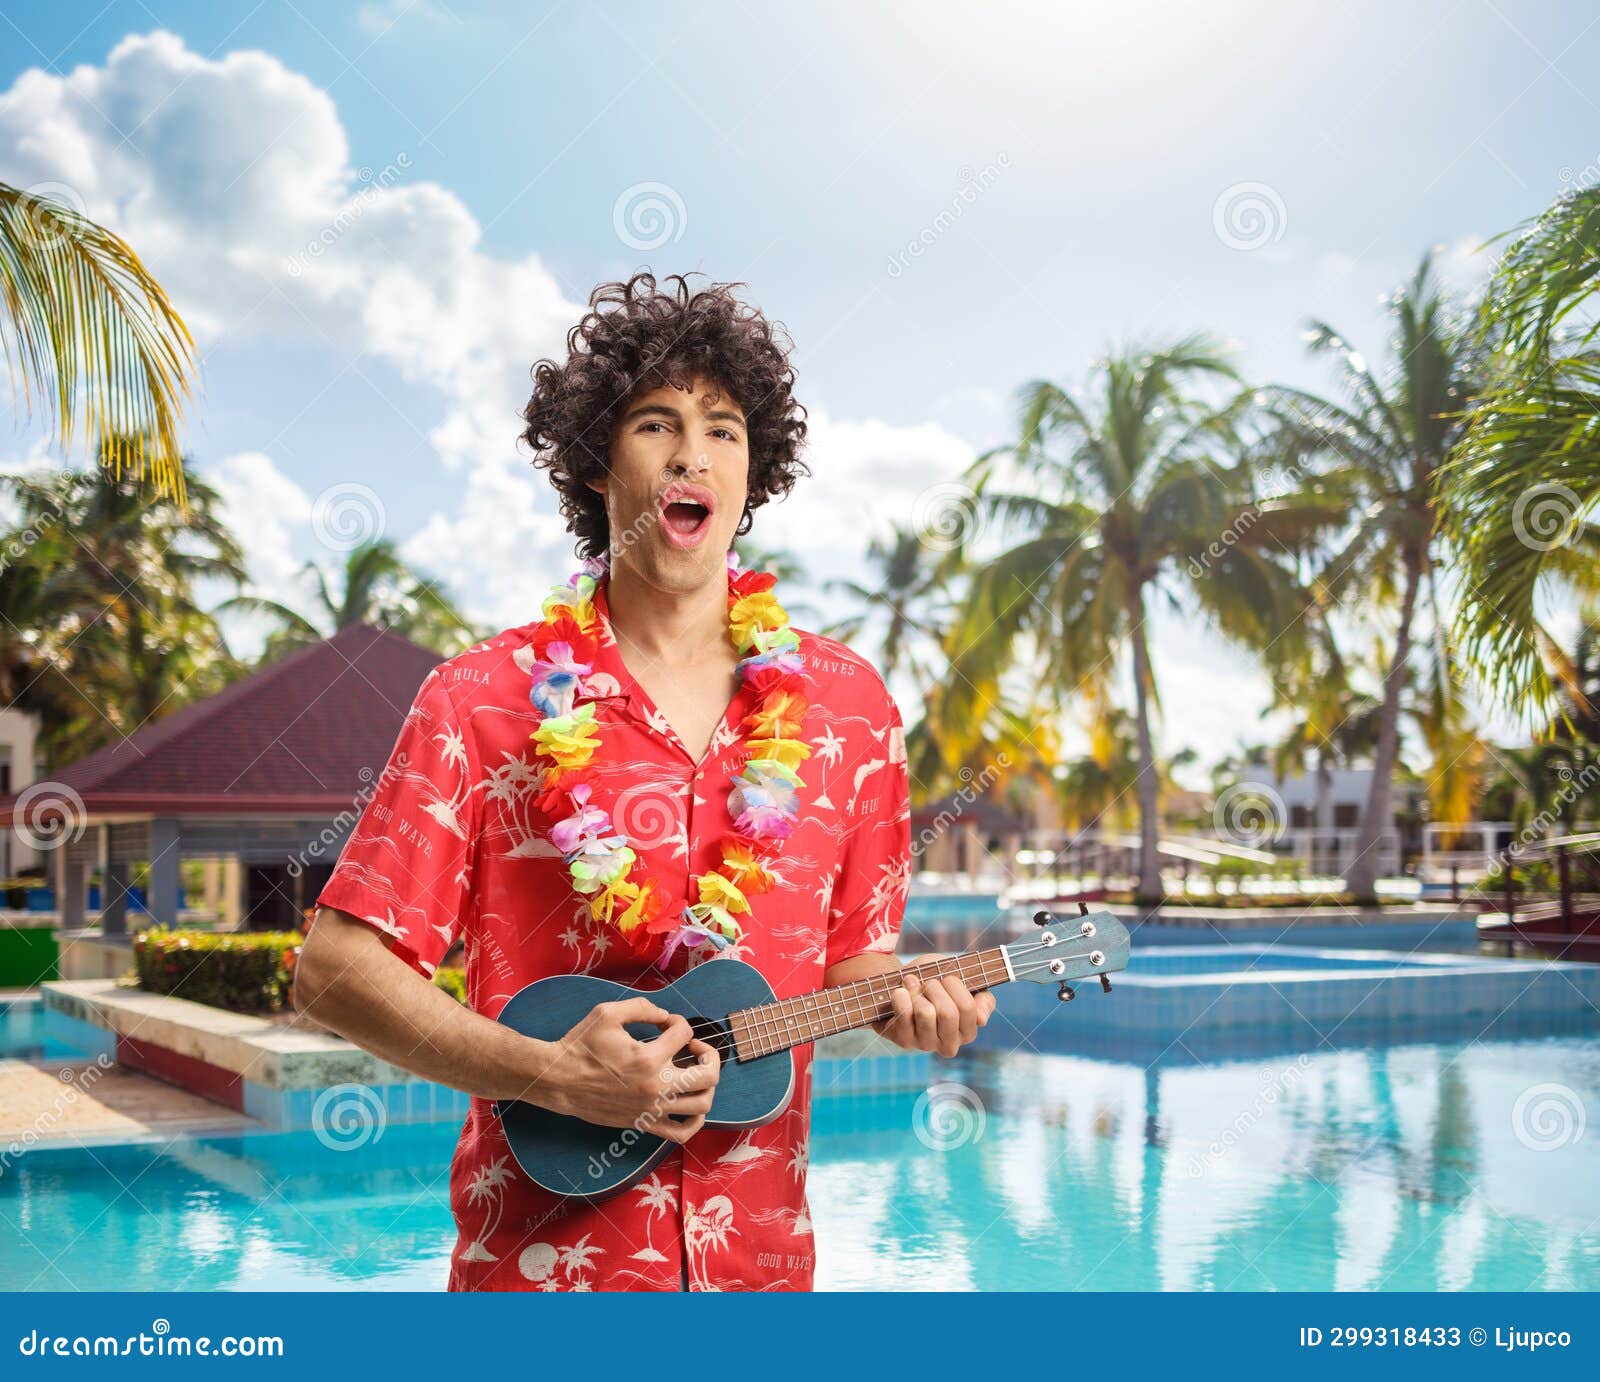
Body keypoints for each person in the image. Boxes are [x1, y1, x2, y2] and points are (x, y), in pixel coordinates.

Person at [294, 272, 994, 1291]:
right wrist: (551, 1072)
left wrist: (914, 1004)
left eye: (723, 430)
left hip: (760, 1276)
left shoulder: (850, 709)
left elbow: (851, 964)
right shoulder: (481, 699)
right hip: (539, 1282)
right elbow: (333, 971)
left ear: (752, 472)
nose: (690, 453)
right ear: (596, 466)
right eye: (655, 423)